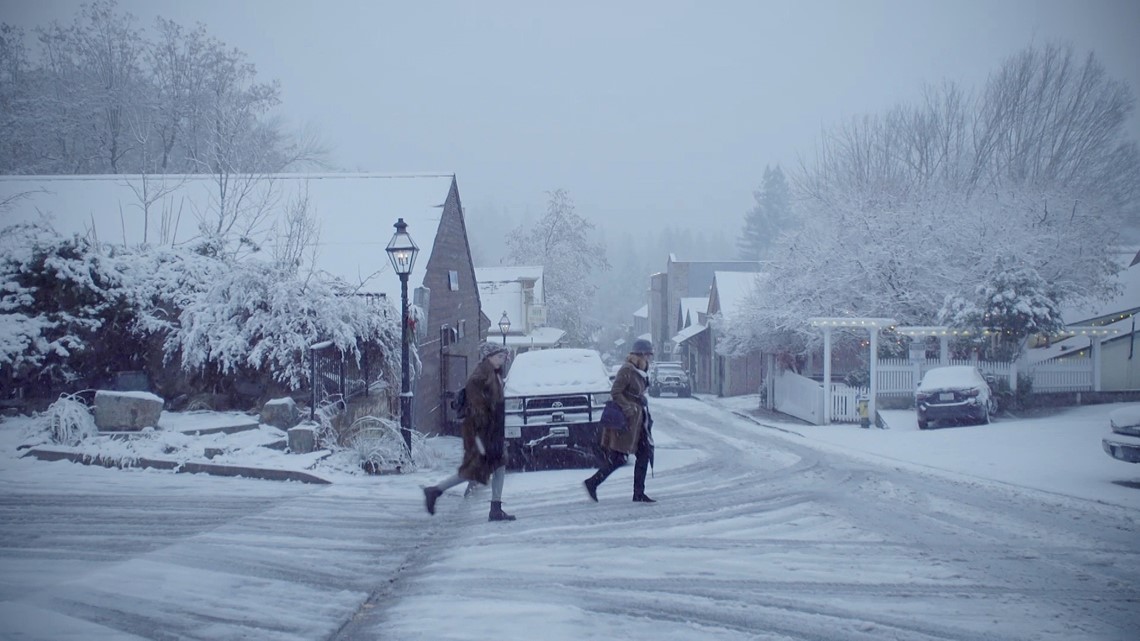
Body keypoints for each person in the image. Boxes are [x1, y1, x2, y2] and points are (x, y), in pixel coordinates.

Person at [424, 341, 516, 521]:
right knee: (474, 471)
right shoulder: (481, 376)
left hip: (490, 431)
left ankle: (495, 508)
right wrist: (484, 436)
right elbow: (478, 408)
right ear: (489, 357)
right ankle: (435, 491)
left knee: (497, 467)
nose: (503, 359)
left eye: (503, 356)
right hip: (482, 432)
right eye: (499, 356)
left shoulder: (492, 374)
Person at [583, 338, 656, 503]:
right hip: (627, 422)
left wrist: (640, 402)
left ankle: (639, 493)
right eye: (648, 355)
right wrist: (628, 406)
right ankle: (592, 482)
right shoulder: (627, 370)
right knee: (618, 459)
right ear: (641, 354)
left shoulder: (642, 370)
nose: (649, 358)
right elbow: (616, 392)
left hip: (639, 422)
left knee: (644, 455)